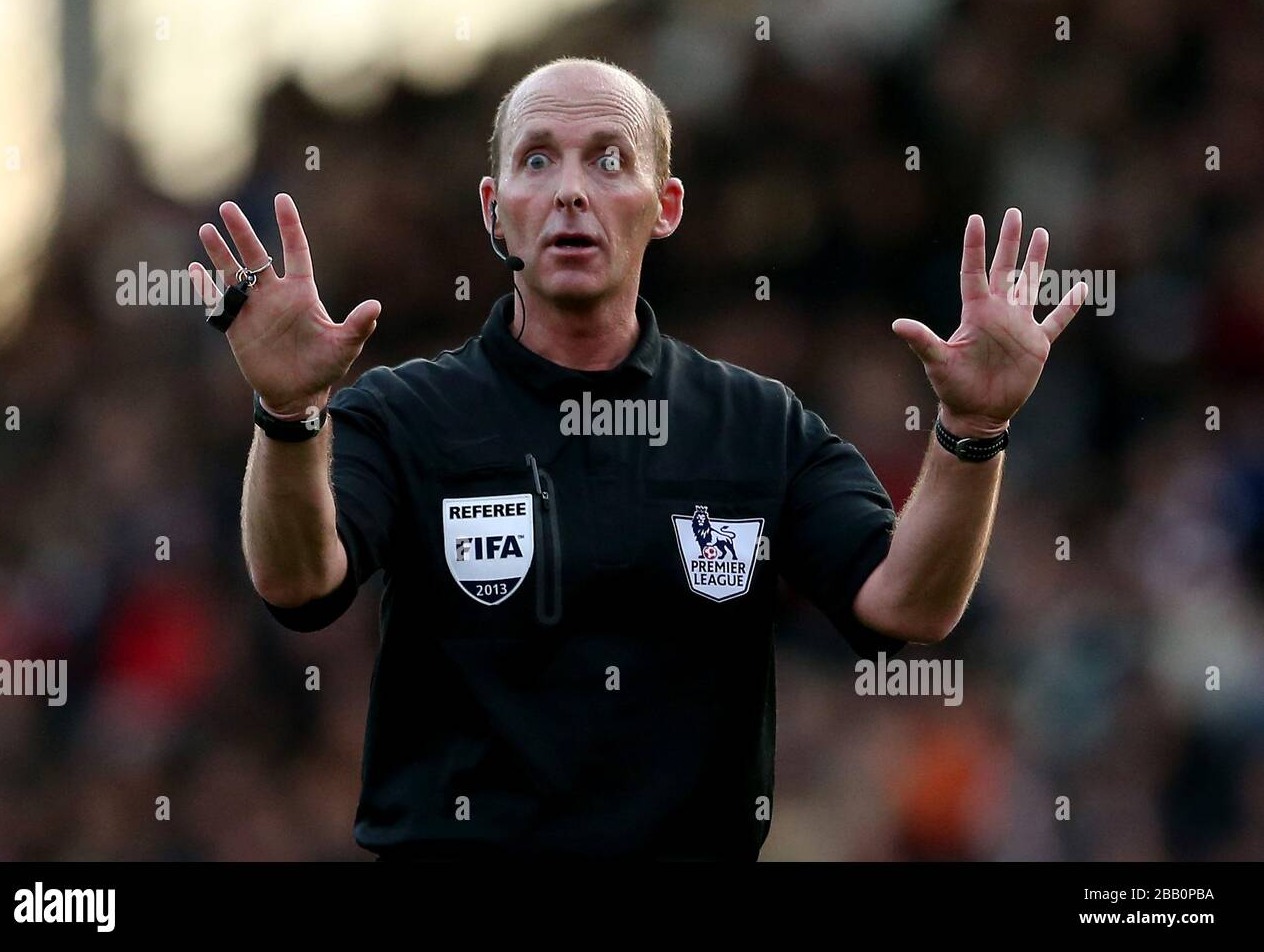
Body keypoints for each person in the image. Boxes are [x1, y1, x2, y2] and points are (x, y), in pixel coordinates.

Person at [188, 57, 1087, 860]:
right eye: (537, 159)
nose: (571, 189)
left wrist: (972, 431)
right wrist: (287, 410)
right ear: (496, 212)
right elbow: (299, 583)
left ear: (666, 207)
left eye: (608, 158)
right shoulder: (404, 414)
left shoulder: (755, 424)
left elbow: (909, 605)